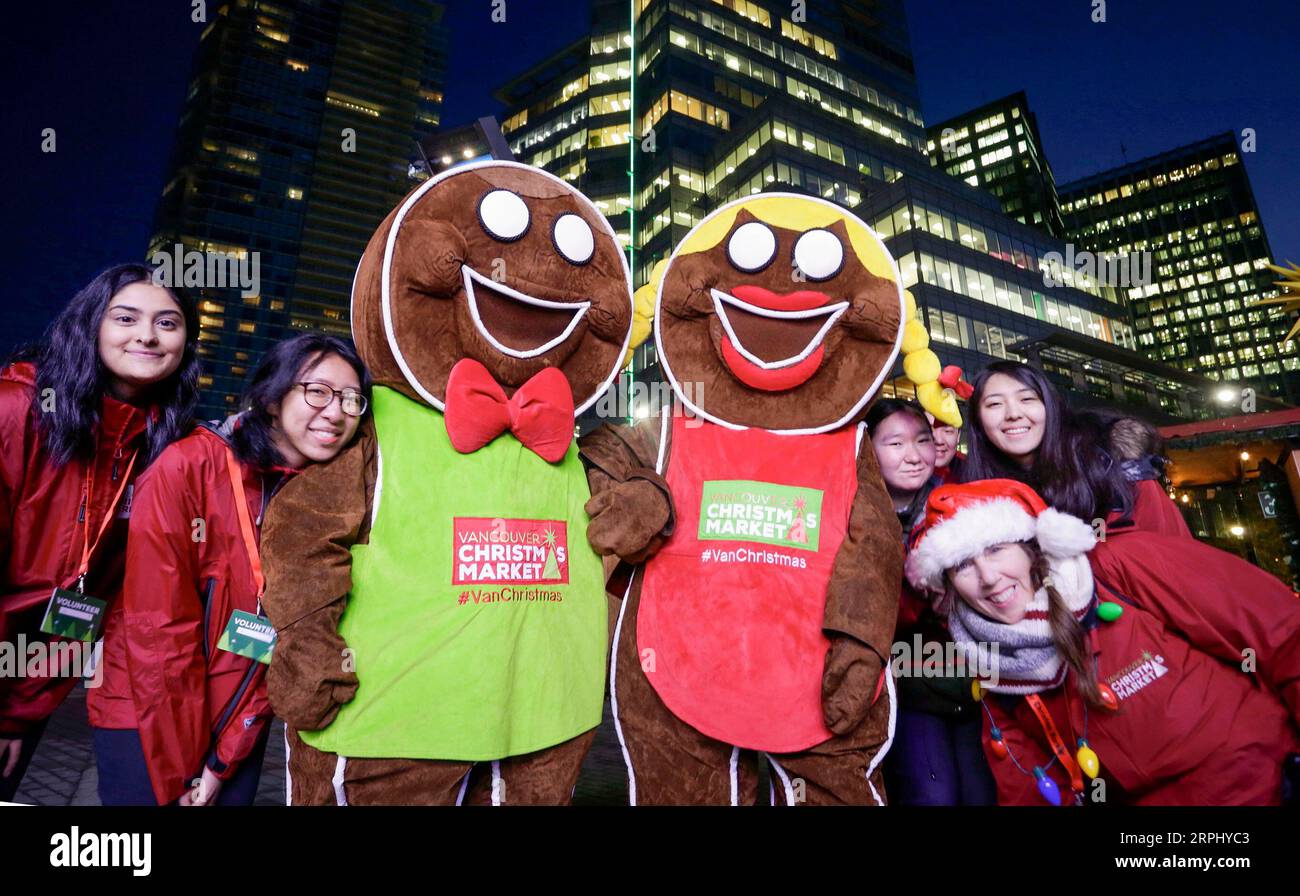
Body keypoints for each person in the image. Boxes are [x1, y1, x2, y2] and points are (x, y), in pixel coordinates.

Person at [93, 333, 369, 805]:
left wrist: (226, 757)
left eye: (350, 399)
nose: (336, 411)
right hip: (147, 716)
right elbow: (157, 631)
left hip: (240, 724)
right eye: (317, 391)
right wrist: (184, 770)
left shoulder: (324, 502)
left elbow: (285, 635)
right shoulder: (188, 467)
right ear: (270, 397)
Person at [906, 479, 1300, 805]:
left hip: (1266, 781)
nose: (988, 577)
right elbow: (1024, 778)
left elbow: (1281, 631)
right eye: (962, 565)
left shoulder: (1118, 565)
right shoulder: (979, 651)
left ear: (1030, 548)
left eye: (996, 549)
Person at [0, 263, 199, 802]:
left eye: (168, 323)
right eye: (126, 318)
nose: (147, 336)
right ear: (90, 324)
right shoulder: (17, 409)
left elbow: (95, 597)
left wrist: (19, 715)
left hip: (27, 689)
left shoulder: (159, 446)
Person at [867, 399, 994, 805]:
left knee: (983, 794)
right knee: (932, 794)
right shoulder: (853, 512)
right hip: (904, 689)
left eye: (922, 440)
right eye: (895, 443)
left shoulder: (962, 505)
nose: (913, 455)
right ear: (867, 448)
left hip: (978, 682)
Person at [928, 412, 964, 484]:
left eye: (948, 431)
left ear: (958, 436)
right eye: (930, 430)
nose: (939, 440)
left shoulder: (973, 473)